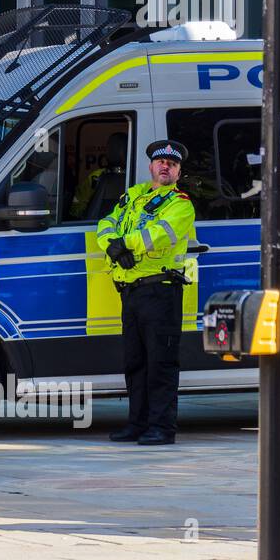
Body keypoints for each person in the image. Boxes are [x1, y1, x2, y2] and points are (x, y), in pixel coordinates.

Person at [96, 139, 197, 446]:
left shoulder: (180, 204)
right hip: (131, 293)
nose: (165, 166)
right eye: (160, 162)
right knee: (135, 364)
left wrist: (124, 245)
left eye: (172, 164)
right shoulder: (135, 195)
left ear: (178, 173)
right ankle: (137, 424)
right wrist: (111, 245)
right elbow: (105, 223)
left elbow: (159, 235)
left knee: (161, 364)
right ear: (151, 166)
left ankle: (162, 428)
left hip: (160, 292)